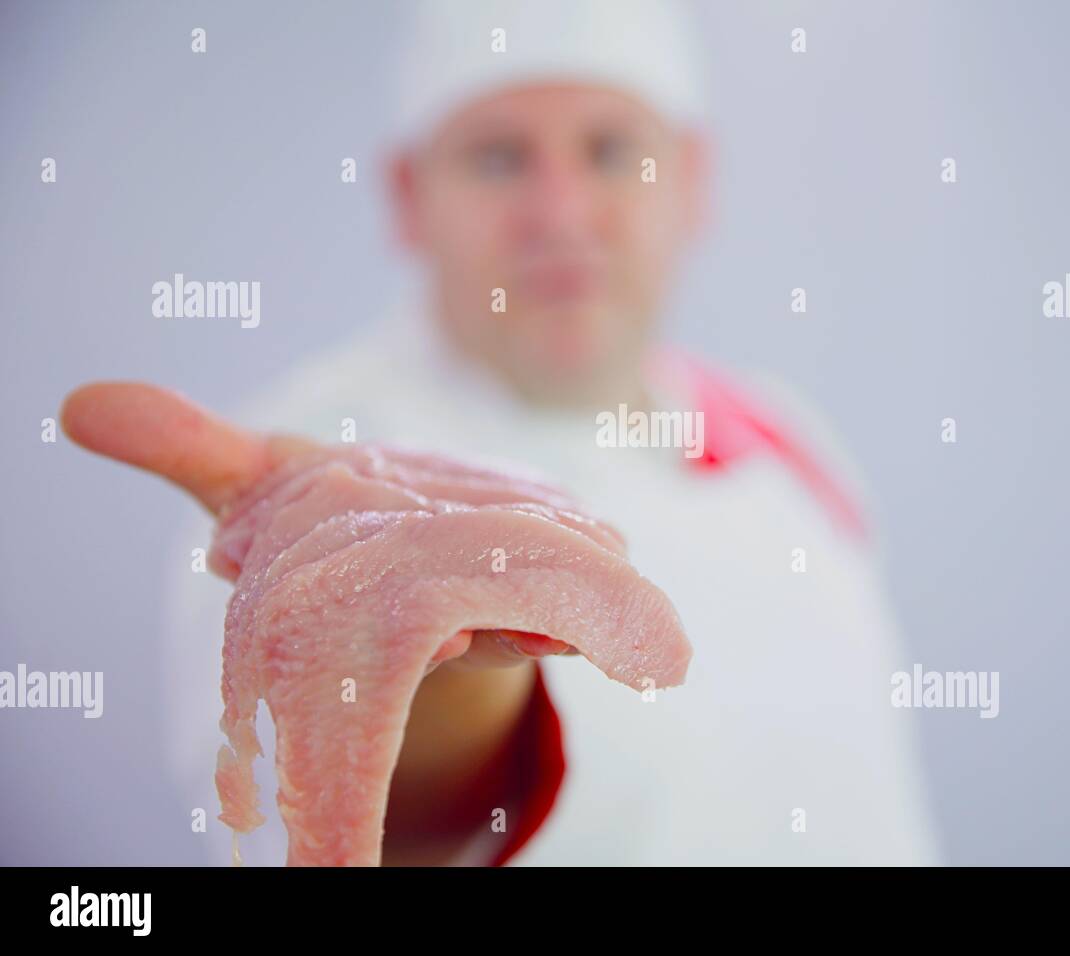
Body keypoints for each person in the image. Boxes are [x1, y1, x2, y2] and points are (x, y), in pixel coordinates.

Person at [71, 0, 940, 866]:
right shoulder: (300, 482)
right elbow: (351, 828)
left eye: (609, 151)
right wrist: (444, 686)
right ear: (410, 198)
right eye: (498, 157)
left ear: (691, 182)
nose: (560, 214)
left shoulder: (793, 448)